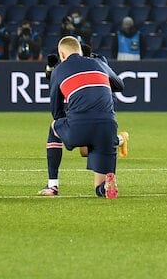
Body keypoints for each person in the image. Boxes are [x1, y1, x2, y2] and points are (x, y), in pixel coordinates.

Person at [43, 36, 127, 198]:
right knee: (99, 188)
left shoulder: (59, 70)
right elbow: (120, 85)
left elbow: (56, 111)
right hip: (108, 127)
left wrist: (71, 130)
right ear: (81, 51)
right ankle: (105, 186)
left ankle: (52, 186)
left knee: (54, 127)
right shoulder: (100, 64)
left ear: (61, 54)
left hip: (79, 126)